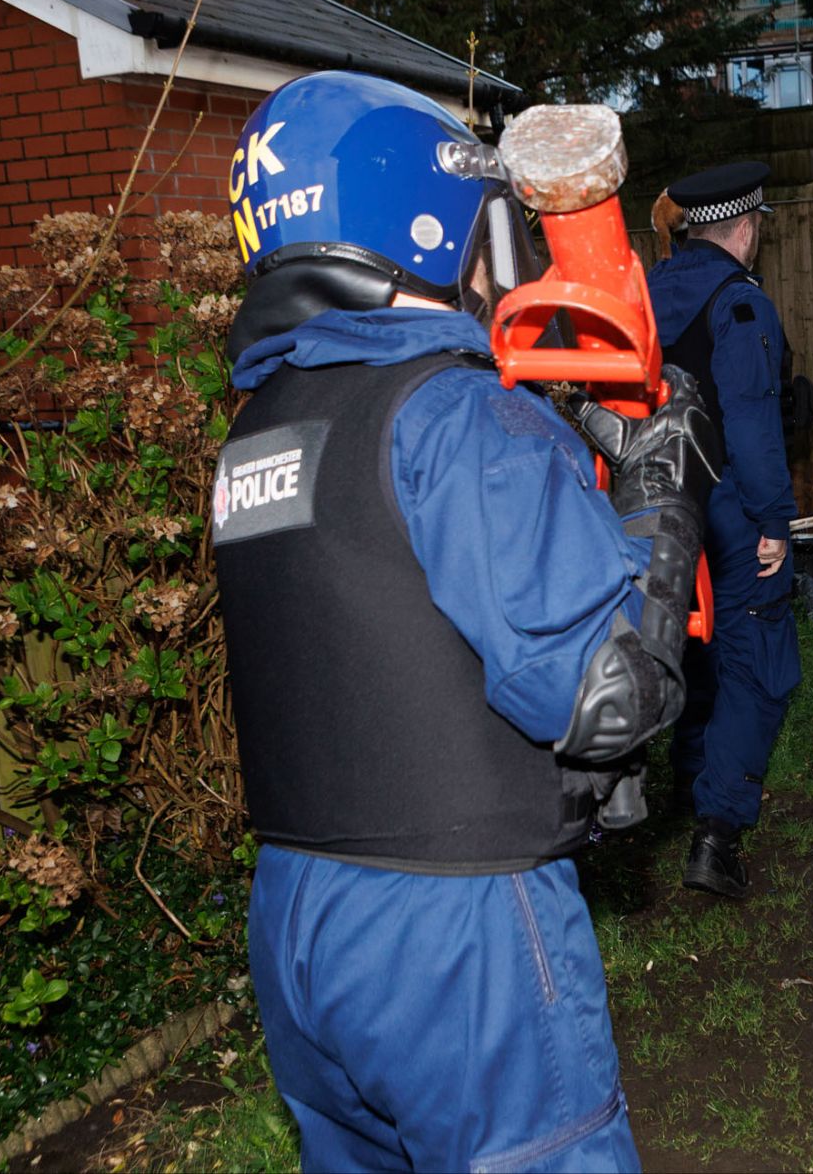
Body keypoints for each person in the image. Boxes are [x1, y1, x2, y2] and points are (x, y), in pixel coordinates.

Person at [211, 72, 717, 1171]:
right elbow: (610, 692)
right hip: (454, 934)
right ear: (428, 217)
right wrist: (663, 493)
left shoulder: (259, 433)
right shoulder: (451, 411)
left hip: (299, 918)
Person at [646, 162, 803, 899]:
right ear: (745, 228)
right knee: (755, 661)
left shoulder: (644, 294)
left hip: (655, 509)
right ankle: (717, 834)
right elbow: (750, 423)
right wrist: (775, 520)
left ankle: (686, 785)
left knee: (686, 645)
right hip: (732, 509)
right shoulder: (741, 304)